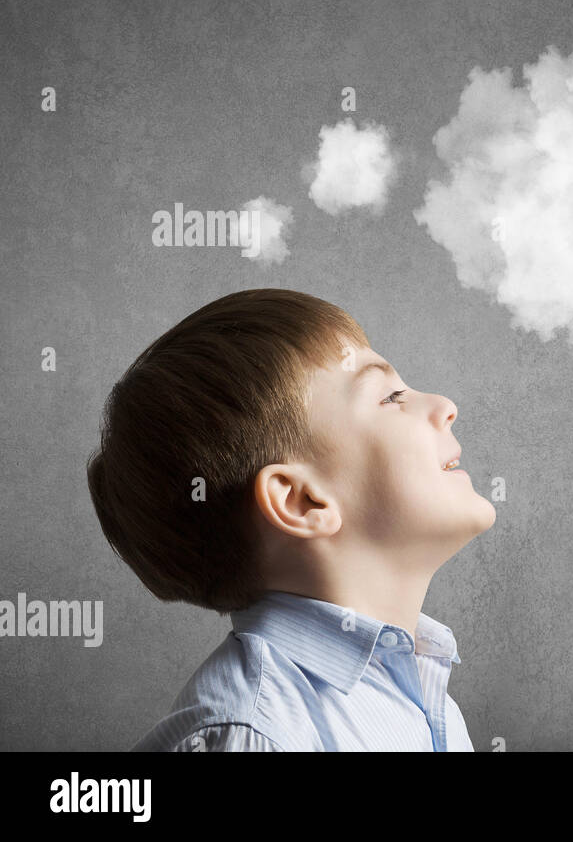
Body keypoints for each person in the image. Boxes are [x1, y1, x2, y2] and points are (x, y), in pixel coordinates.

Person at [86, 288, 496, 750]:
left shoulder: (415, 692)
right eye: (391, 396)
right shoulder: (256, 736)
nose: (444, 405)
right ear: (302, 501)